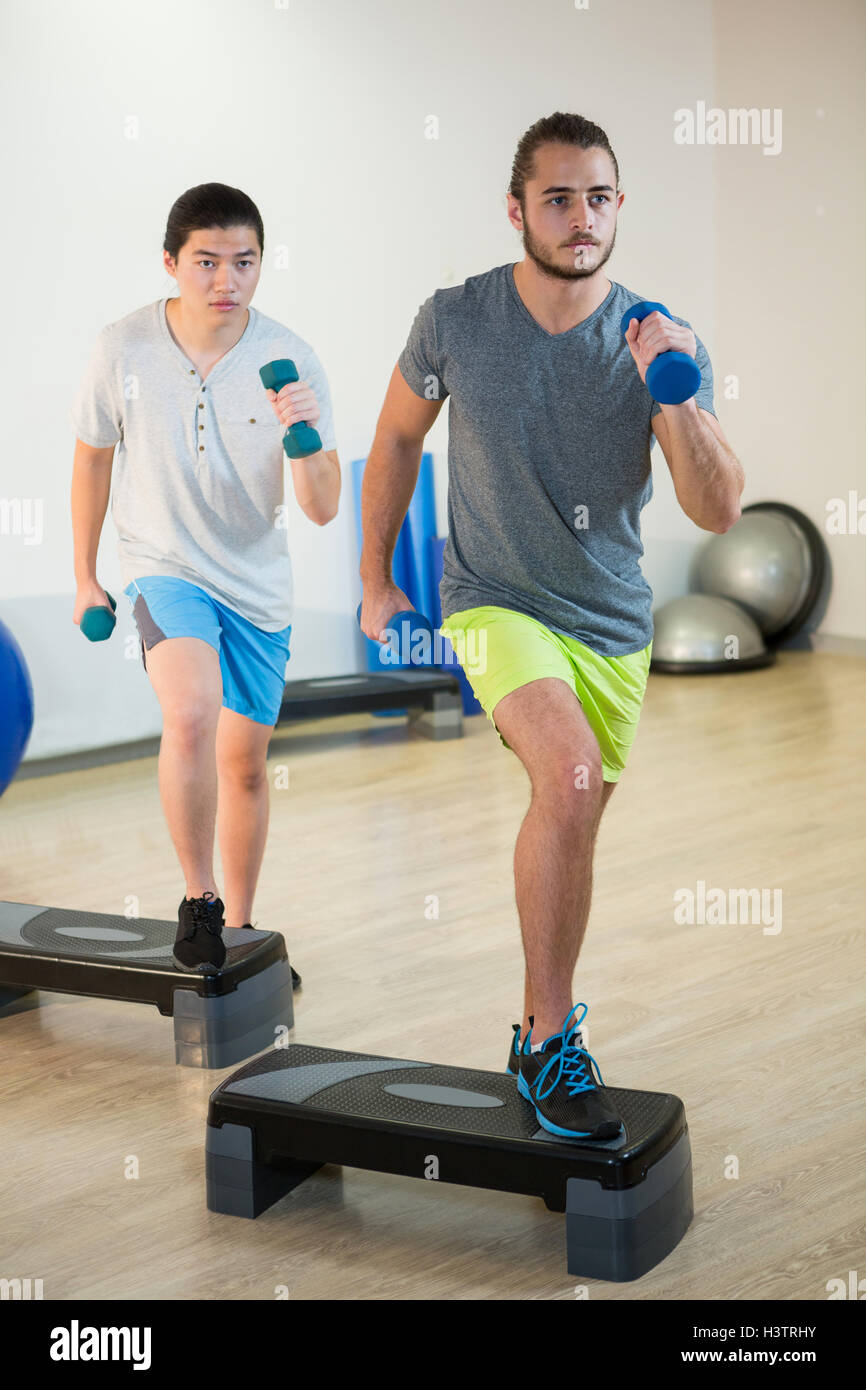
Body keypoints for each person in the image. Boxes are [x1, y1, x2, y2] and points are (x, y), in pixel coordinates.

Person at [359, 112, 744, 1140]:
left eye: (599, 196)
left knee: (574, 820)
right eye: (559, 197)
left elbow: (715, 511)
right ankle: (544, 1037)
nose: (581, 218)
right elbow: (396, 438)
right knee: (567, 777)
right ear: (517, 208)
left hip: (612, 622)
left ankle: (543, 1021)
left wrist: (682, 394)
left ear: (620, 205)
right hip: (493, 597)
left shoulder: (657, 336)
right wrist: (373, 581)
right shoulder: (455, 318)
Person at [70, 183, 340, 974]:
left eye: (245, 262)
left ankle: (245, 933)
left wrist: (305, 433)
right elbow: (92, 457)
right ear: (171, 263)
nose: (227, 280)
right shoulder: (122, 348)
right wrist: (85, 576)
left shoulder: (290, 358)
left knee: (246, 762)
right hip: (164, 567)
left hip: (257, 585)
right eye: (208, 262)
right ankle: (199, 900)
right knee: (190, 712)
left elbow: (321, 509)